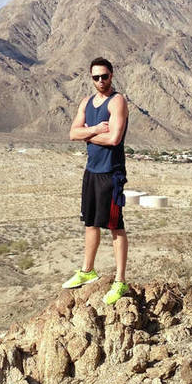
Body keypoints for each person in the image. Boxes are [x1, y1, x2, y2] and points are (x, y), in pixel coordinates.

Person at [63, 57, 129, 304]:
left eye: (105, 76)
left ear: (112, 75)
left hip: (111, 173)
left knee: (114, 226)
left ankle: (120, 281)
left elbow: (114, 139)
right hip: (91, 171)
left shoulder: (118, 101)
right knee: (90, 223)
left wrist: (87, 135)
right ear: (91, 78)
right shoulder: (86, 102)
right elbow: (72, 133)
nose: (101, 81)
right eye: (96, 77)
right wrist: (94, 131)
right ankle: (87, 270)